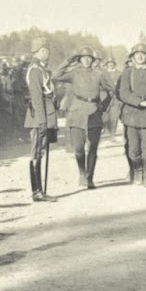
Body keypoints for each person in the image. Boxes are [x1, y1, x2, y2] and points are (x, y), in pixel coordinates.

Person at [53, 46, 112, 190]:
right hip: (77, 112)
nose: (86, 60)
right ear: (79, 59)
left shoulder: (99, 74)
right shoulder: (74, 73)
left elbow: (111, 89)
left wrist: (103, 106)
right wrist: (68, 61)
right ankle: (82, 172)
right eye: (83, 58)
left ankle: (90, 177)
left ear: (92, 60)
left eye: (89, 58)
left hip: (94, 111)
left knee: (92, 148)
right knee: (78, 148)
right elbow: (55, 75)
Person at [115, 44, 146, 186]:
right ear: (132, 57)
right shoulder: (127, 72)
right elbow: (123, 93)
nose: (140, 56)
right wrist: (140, 103)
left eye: (143, 54)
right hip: (132, 115)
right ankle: (137, 171)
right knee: (133, 149)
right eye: (137, 54)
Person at [23, 44, 59, 202]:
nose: (48, 53)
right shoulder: (35, 70)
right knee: (36, 152)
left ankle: (39, 191)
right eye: (45, 50)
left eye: (48, 49)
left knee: (40, 151)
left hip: (45, 114)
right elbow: (37, 97)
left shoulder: (41, 68)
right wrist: (42, 121)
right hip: (39, 117)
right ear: (39, 52)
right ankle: (37, 191)